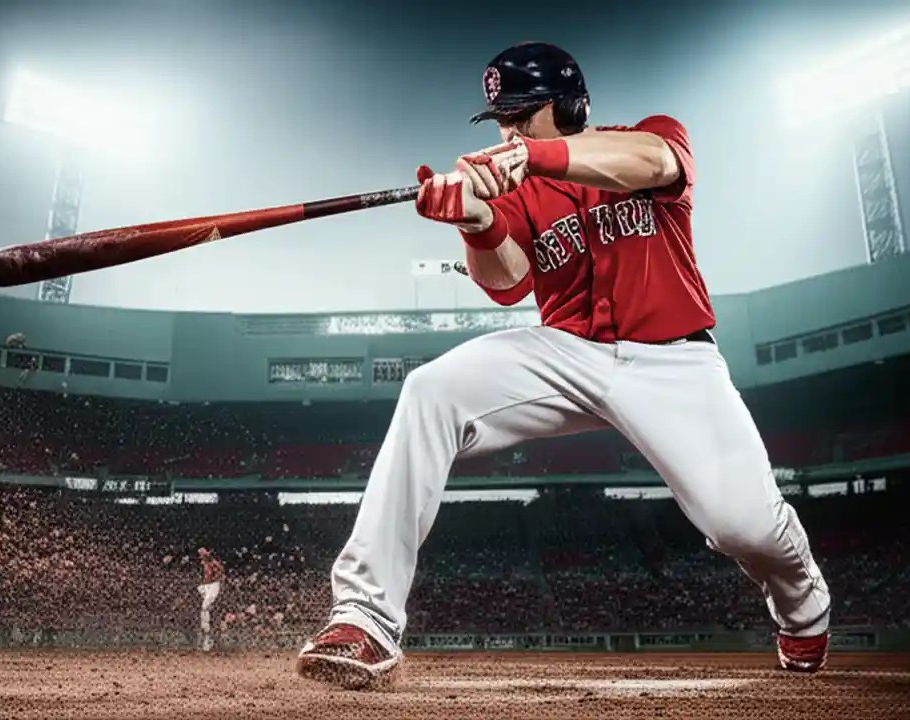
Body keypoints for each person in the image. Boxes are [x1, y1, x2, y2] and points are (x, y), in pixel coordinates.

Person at [295, 41, 831, 690]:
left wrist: (532, 158)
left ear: (573, 105)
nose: (509, 131)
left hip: (673, 360)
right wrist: (473, 220)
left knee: (743, 526)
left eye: (525, 114)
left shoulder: (650, 137)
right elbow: (508, 281)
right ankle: (364, 618)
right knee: (430, 390)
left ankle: (804, 607)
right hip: (567, 356)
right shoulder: (522, 190)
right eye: (502, 119)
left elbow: (653, 164)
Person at [196, 547, 225, 651]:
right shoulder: (204, 563)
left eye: (202, 554)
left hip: (214, 585)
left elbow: (221, 571)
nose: (201, 556)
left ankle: (207, 629)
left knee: (205, 606)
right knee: (199, 590)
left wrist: (214, 578)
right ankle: (205, 626)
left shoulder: (213, 562)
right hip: (207, 585)